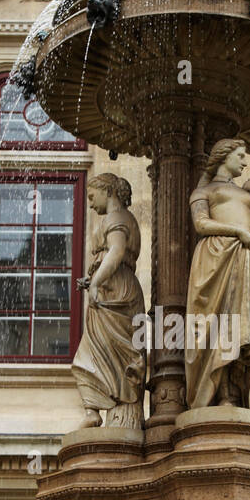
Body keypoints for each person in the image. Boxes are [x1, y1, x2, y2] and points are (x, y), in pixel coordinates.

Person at [185, 139, 250, 409]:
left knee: (242, 327)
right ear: (224, 157)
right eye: (240, 156)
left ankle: (233, 395)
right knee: (217, 326)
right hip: (215, 258)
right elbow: (200, 224)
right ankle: (218, 393)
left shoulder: (247, 191)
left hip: (245, 258)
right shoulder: (204, 191)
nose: (245, 162)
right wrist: (237, 232)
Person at [73, 175, 145, 429]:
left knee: (96, 351)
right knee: (97, 348)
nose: (90, 203)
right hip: (110, 287)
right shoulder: (117, 218)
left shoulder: (117, 218)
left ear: (108, 191)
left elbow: (116, 251)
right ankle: (93, 409)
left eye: (92, 196)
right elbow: (109, 257)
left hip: (116, 290)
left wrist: (96, 282)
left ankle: (100, 409)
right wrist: (93, 278)